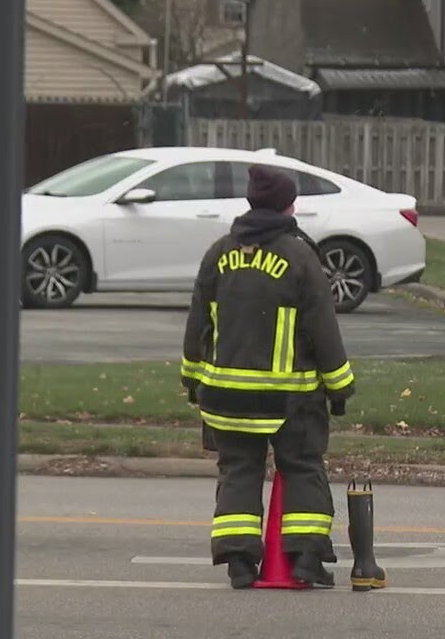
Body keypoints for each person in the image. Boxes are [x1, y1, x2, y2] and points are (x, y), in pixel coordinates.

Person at [181, 164, 356, 589]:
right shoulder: (300, 257)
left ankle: (240, 561)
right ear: (286, 205)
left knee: (238, 470)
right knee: (301, 468)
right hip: (288, 399)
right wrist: (340, 386)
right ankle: (305, 561)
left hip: (225, 397)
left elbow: (198, 325)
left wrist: (193, 380)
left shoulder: (218, 254)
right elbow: (322, 329)